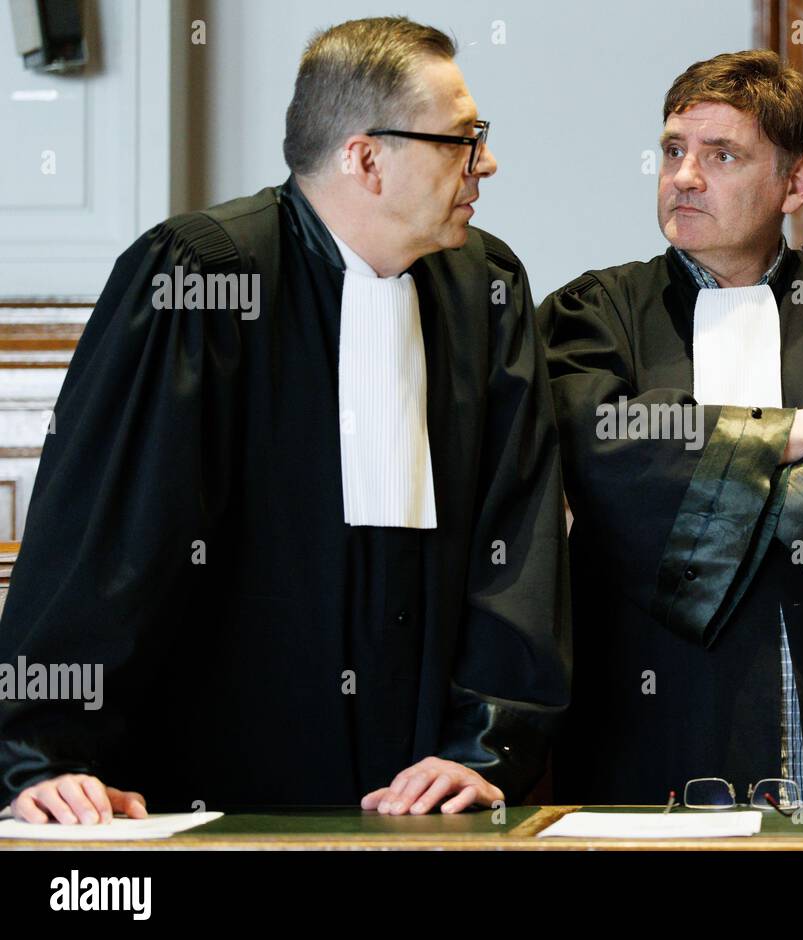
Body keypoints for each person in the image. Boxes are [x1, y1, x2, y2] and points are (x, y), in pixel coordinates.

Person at [0, 17, 569, 824]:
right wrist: (42, 756)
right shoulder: (201, 277)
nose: (489, 162)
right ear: (368, 157)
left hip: (428, 798)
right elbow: (105, 534)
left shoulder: (488, 286)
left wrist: (485, 748)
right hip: (213, 781)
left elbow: (518, 538)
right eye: (464, 139)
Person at [540, 50, 803, 806]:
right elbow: (601, 452)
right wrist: (797, 432)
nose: (683, 176)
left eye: (722, 155)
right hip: (646, 691)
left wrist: (713, 477)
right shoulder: (599, 312)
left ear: (796, 182)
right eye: (674, 150)